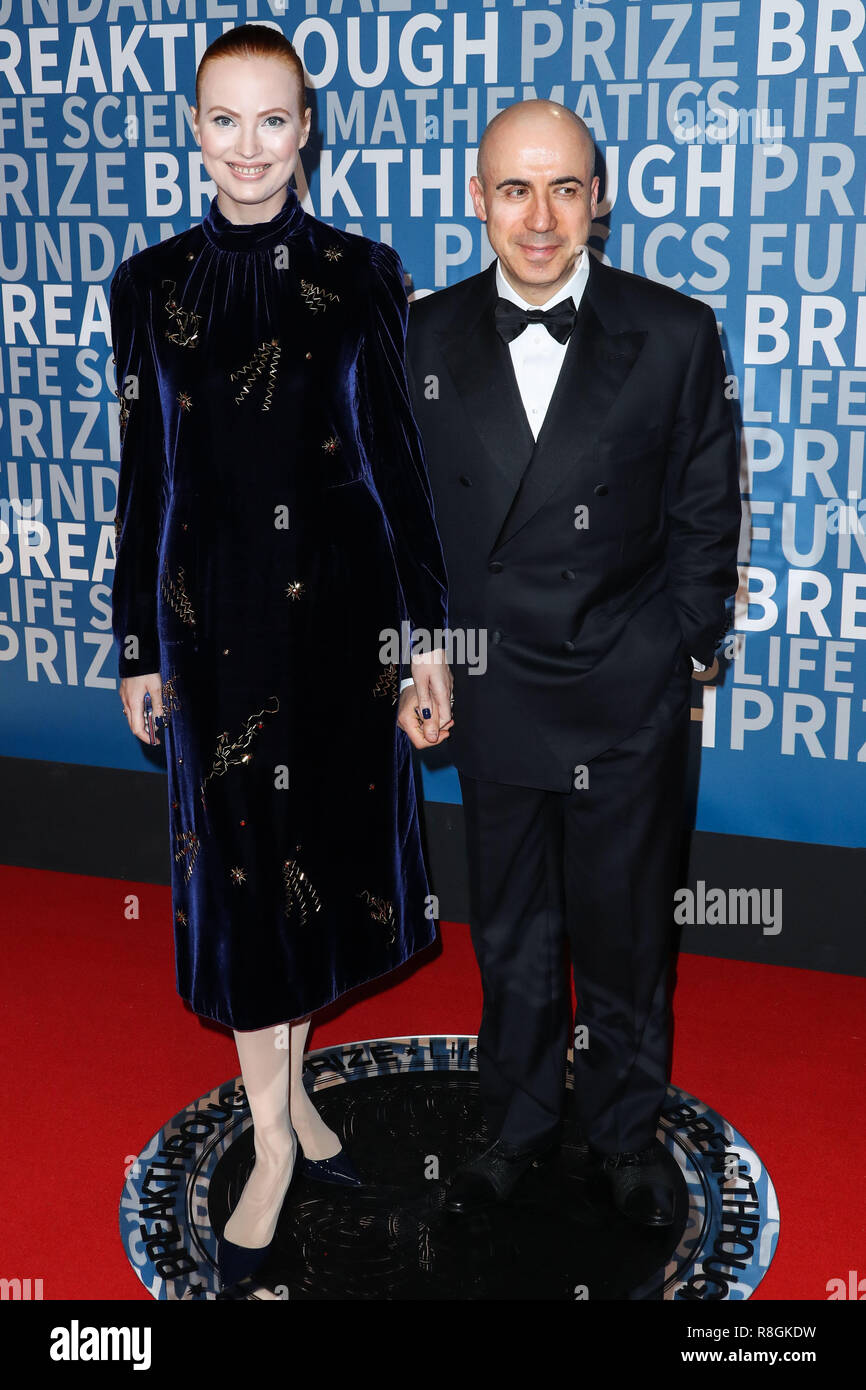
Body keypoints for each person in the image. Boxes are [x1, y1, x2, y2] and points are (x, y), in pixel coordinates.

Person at [109, 23, 452, 1293]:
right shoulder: (147, 287)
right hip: (212, 628)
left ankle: (292, 1092)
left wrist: (426, 639)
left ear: (307, 130)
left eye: (272, 120)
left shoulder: (366, 274)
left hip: (342, 625)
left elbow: (398, 470)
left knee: (317, 865)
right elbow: (145, 478)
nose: (247, 147)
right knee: (247, 872)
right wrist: (136, 641)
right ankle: (268, 1140)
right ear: (193, 130)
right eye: (223, 120)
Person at [400, 100, 741, 1228]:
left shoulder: (676, 331)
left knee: (626, 929)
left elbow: (704, 511)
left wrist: (674, 651)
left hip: (625, 691)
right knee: (509, 929)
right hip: (494, 690)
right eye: (512, 189)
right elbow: (401, 525)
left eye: (561, 189)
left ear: (598, 199)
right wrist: (422, 653)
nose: (537, 218)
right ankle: (516, 1120)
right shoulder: (422, 335)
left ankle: (624, 1134)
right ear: (476, 198)